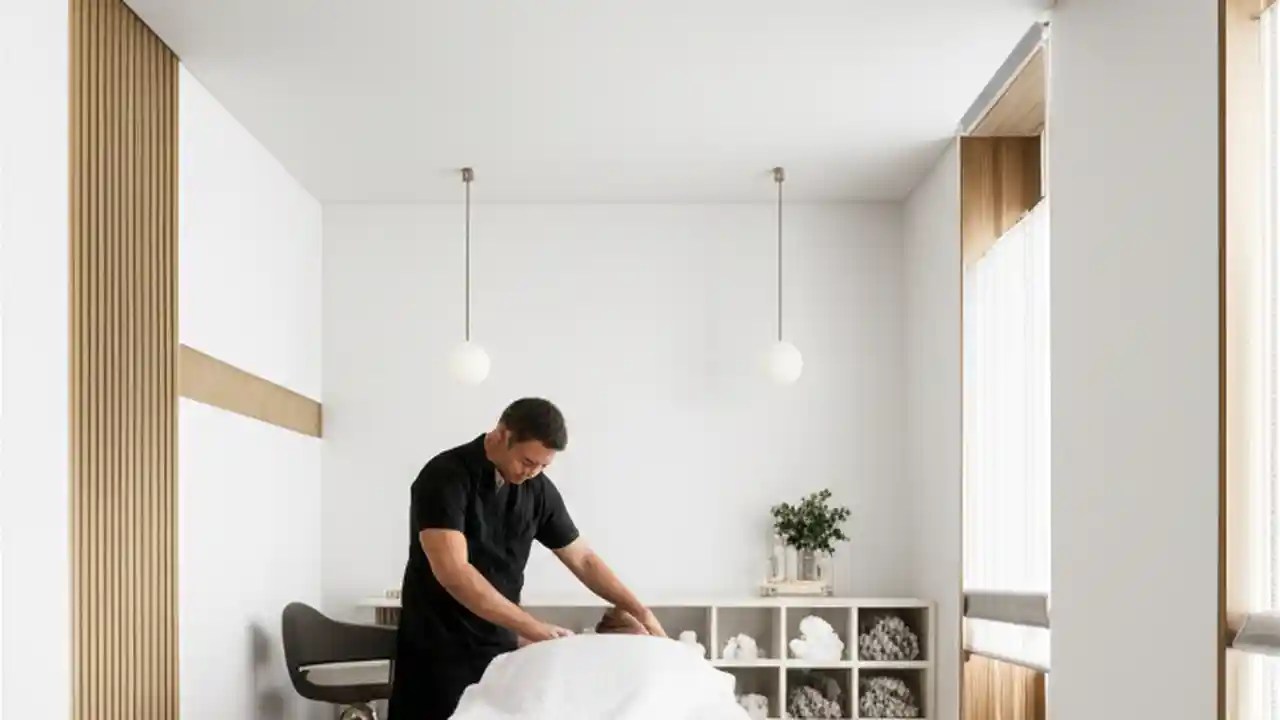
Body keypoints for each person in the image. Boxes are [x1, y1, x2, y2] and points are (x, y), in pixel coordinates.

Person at [387, 398, 666, 720]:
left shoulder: (537, 489)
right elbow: (454, 572)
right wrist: (534, 628)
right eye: (527, 461)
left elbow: (584, 559)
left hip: (498, 644)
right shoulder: (445, 477)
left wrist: (640, 612)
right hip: (438, 645)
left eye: (543, 466)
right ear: (503, 435)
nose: (533, 472)